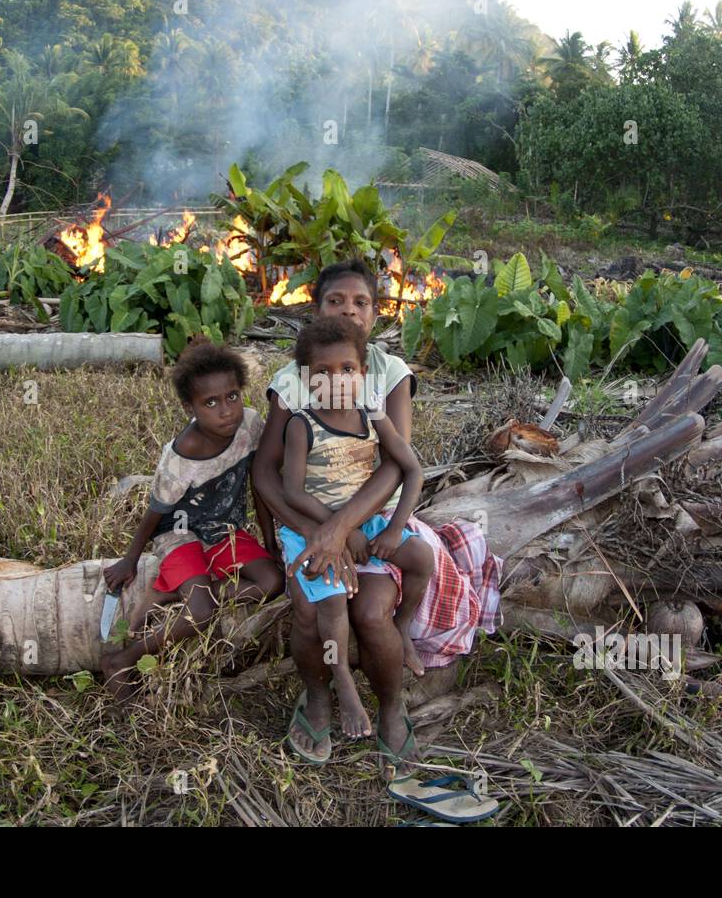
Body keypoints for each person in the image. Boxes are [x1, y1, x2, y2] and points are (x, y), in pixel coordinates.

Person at [252, 259, 502, 768]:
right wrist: (316, 533)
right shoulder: (298, 378)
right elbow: (266, 474)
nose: (348, 310)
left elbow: (397, 463)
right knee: (308, 609)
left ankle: (390, 705)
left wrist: (345, 529)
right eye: (334, 301)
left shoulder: (385, 373)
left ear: (377, 311)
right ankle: (320, 697)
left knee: (371, 610)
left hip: (369, 520)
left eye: (360, 302)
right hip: (311, 523)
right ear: (315, 310)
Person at [100, 339, 284, 699]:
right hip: (179, 534)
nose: (226, 410)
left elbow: (259, 486)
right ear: (190, 407)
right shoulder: (181, 454)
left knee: (271, 581)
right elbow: (156, 512)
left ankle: (169, 595)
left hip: (223, 530)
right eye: (210, 403)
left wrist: (270, 542)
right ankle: (124, 659)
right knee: (199, 614)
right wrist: (130, 559)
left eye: (232, 396)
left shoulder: (250, 424)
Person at [278, 316, 434, 739]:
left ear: (363, 373)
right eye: (323, 372)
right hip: (311, 527)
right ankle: (342, 682)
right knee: (329, 600)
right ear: (307, 380)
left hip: (370, 521)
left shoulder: (373, 416)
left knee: (422, 555)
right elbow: (291, 491)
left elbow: (411, 470)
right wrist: (340, 532)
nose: (337, 380)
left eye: (347, 369)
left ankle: (403, 625)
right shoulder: (300, 425)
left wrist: (393, 528)